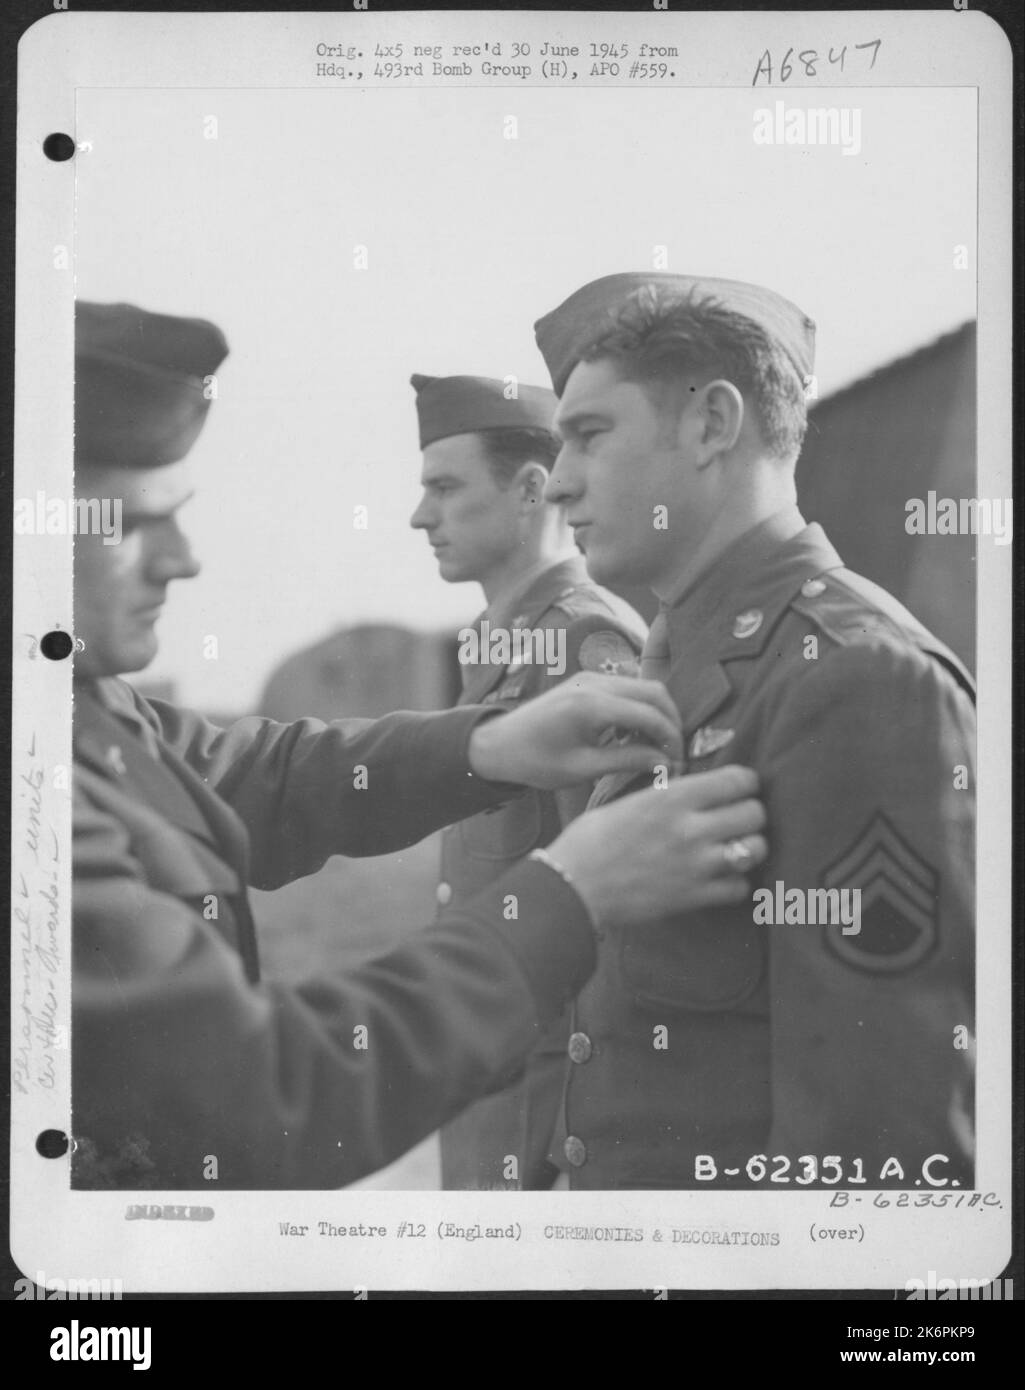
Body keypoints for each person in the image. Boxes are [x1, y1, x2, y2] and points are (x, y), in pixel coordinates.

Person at [70, 300, 768, 1190]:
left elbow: (242, 772)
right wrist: (569, 889)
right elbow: (257, 1096)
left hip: (525, 1081)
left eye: (445, 487)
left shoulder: (585, 642)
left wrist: (487, 748)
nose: (185, 561)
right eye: (131, 523)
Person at [528, 273, 976, 1190]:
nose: (560, 482)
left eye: (590, 434)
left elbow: (873, 1150)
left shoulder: (854, 678)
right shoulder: (667, 668)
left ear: (711, 424)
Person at [409, 371, 647, 1190]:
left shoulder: (589, 640)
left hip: (545, 1105)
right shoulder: (487, 641)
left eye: (444, 487)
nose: (419, 516)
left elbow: (619, 910)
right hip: (486, 1070)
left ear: (530, 491)